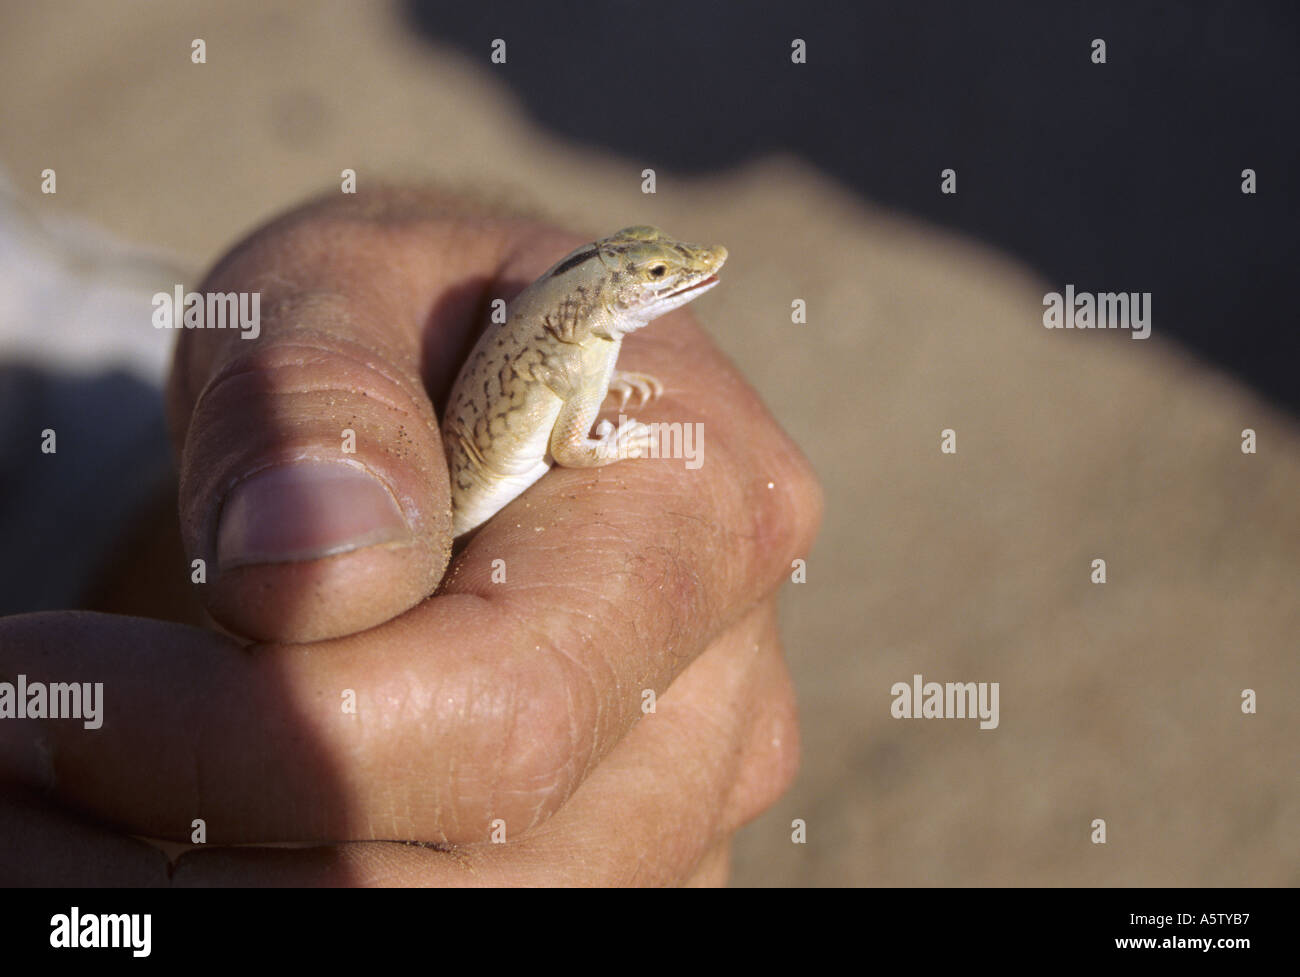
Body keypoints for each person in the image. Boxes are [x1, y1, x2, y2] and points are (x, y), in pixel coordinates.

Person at [0, 187, 822, 885]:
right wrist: (616, 442)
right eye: (654, 274)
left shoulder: (585, 340)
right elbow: (573, 446)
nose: (683, 271)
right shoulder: (574, 346)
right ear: (602, 299)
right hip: (455, 508)